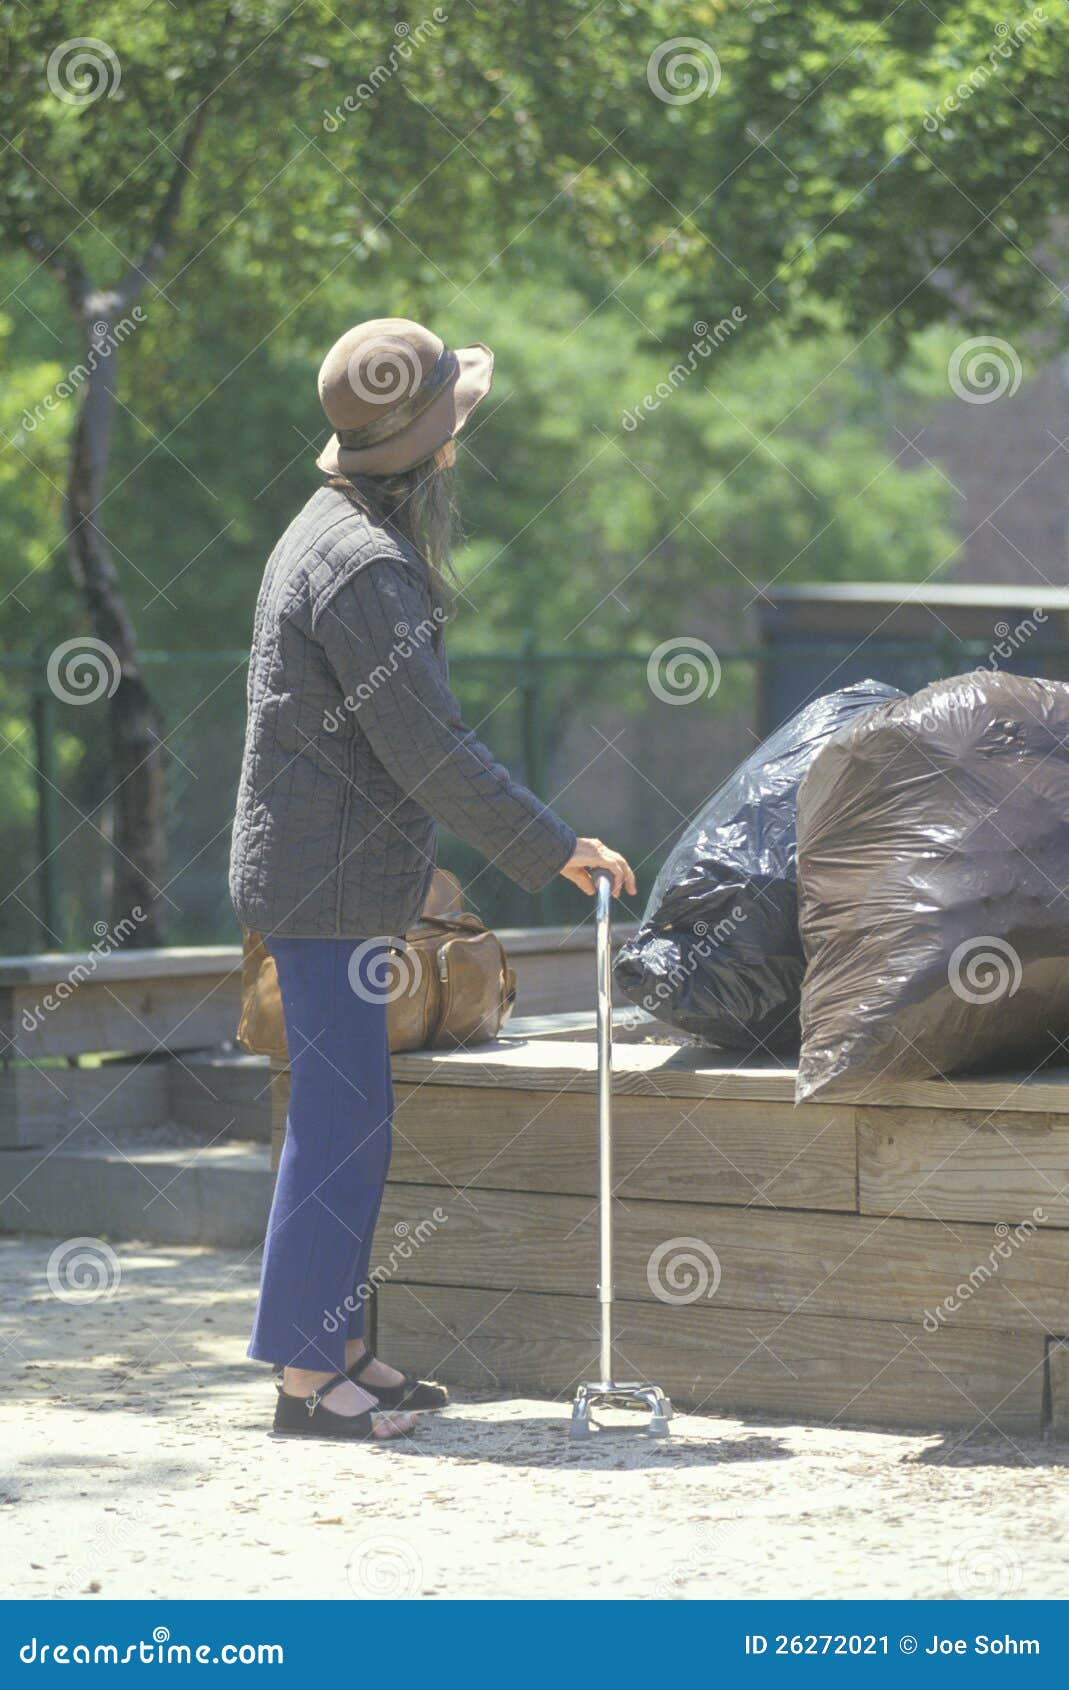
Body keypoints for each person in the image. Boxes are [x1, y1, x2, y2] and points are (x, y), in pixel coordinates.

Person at [229, 318, 636, 1442]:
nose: (459, 447)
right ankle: (310, 1383)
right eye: (452, 425)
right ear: (422, 450)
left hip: (332, 879)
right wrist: (558, 846)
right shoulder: (362, 565)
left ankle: (340, 1349)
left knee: (351, 1121)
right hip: (329, 893)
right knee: (339, 1125)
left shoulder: (331, 531)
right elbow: (432, 750)